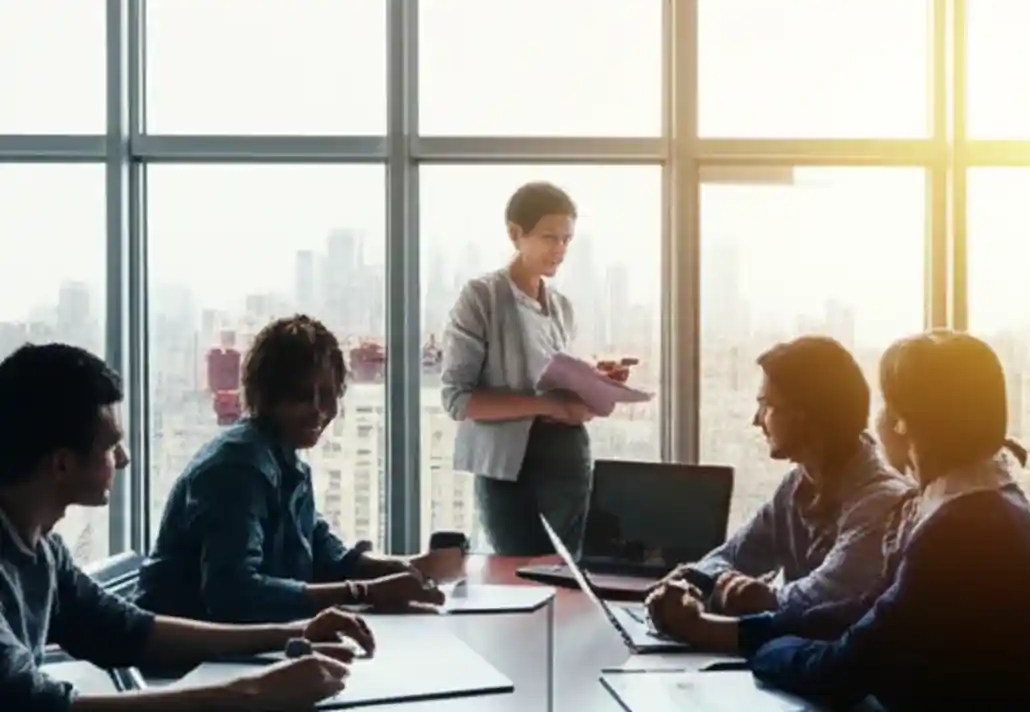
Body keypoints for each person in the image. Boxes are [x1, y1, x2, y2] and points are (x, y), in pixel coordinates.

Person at [646, 331, 1030, 710]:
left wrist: (756, 648)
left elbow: (849, 665)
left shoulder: (965, 526)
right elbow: (863, 610)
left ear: (906, 423)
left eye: (888, 405)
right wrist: (723, 631)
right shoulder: (971, 502)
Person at [0, 343, 378, 710]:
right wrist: (249, 694)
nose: (124, 459)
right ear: (62, 464)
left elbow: (125, 630)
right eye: (111, 447)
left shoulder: (43, 549)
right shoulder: (240, 464)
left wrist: (294, 633)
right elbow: (31, 704)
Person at [139, 316, 458, 623]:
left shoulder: (286, 462)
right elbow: (233, 596)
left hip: (248, 647)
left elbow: (330, 559)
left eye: (329, 396)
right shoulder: (237, 468)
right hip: (189, 665)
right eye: (302, 397)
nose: (319, 411)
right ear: (266, 397)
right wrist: (364, 592)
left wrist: (415, 568)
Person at [658, 336, 914, 618]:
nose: (757, 420)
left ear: (805, 415)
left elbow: (825, 596)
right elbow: (731, 556)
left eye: (767, 405)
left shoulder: (884, 503)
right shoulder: (796, 486)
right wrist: (693, 584)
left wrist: (756, 596)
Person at [440, 181, 599, 555]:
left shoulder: (561, 306)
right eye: (549, 237)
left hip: (566, 457)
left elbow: (551, 376)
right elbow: (458, 400)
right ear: (515, 234)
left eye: (566, 239)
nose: (559, 250)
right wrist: (549, 406)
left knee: (572, 575)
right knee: (515, 573)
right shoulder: (482, 297)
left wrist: (593, 381)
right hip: (507, 467)